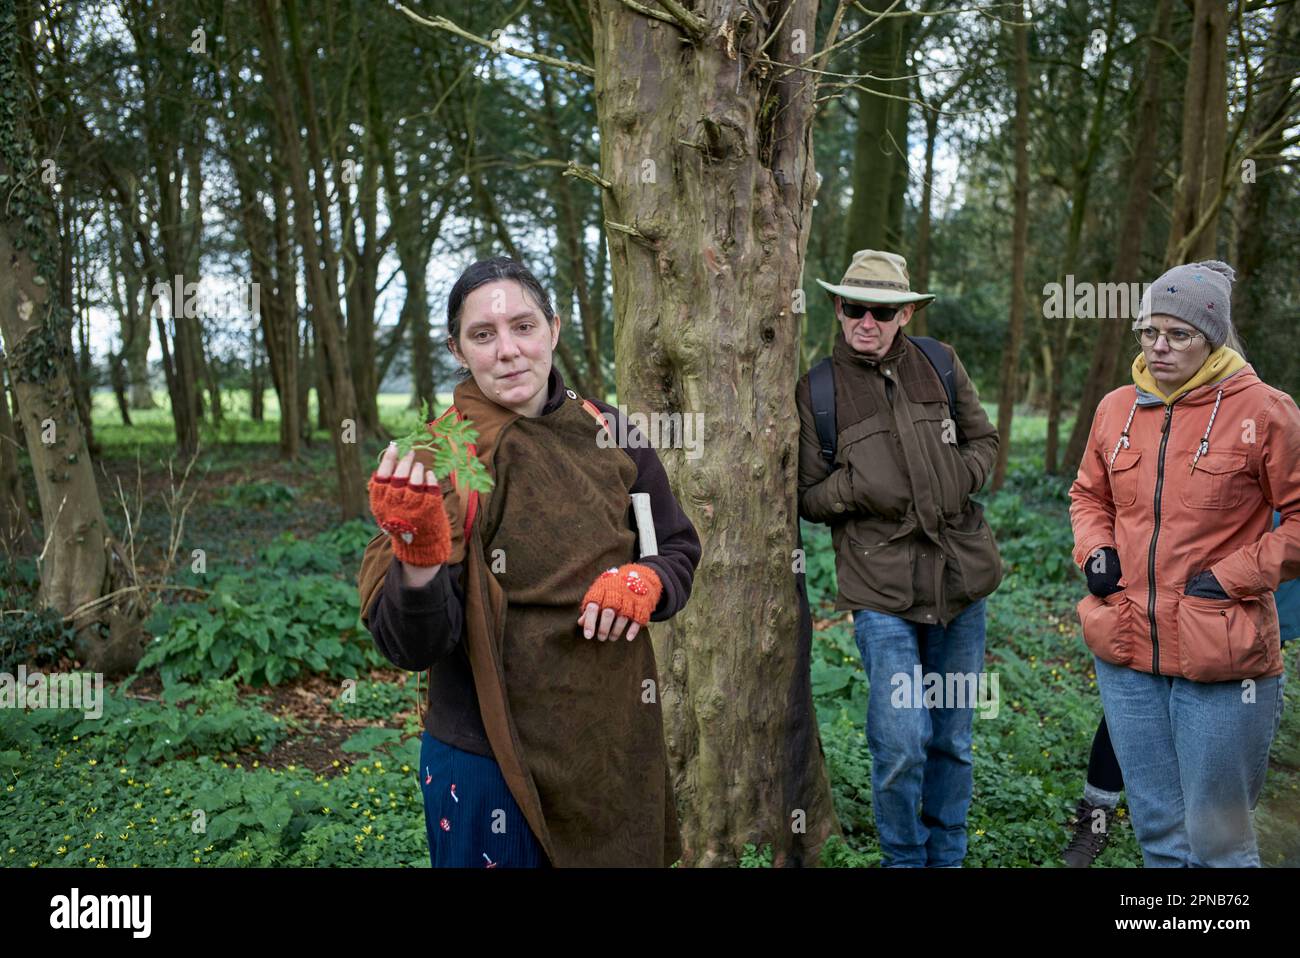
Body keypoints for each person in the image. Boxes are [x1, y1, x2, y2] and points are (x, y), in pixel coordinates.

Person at [355, 257, 701, 868]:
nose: (508, 351)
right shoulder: (435, 460)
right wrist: (417, 559)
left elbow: (674, 547)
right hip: (486, 754)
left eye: (524, 326)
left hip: (610, 744)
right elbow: (411, 646)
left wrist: (647, 579)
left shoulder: (611, 432)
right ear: (459, 350)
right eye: (483, 335)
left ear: (555, 329)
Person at [1069, 260, 1297, 867]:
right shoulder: (1116, 409)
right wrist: (1096, 549)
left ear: (1213, 336)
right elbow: (1088, 495)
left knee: (1217, 844)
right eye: (1149, 332)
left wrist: (1230, 576)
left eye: (1179, 335)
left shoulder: (1267, 412)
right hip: (1127, 652)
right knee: (1161, 836)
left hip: (1221, 660)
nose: (1159, 347)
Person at [795, 249, 1003, 867]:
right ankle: (904, 861)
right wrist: (859, 487)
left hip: (959, 579)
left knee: (953, 741)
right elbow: (808, 495)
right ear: (838, 307)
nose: (868, 320)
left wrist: (955, 478)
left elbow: (983, 440)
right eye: (855, 307)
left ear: (905, 312)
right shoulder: (819, 391)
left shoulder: (939, 363)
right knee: (903, 741)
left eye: (882, 310)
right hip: (880, 590)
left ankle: (949, 857)